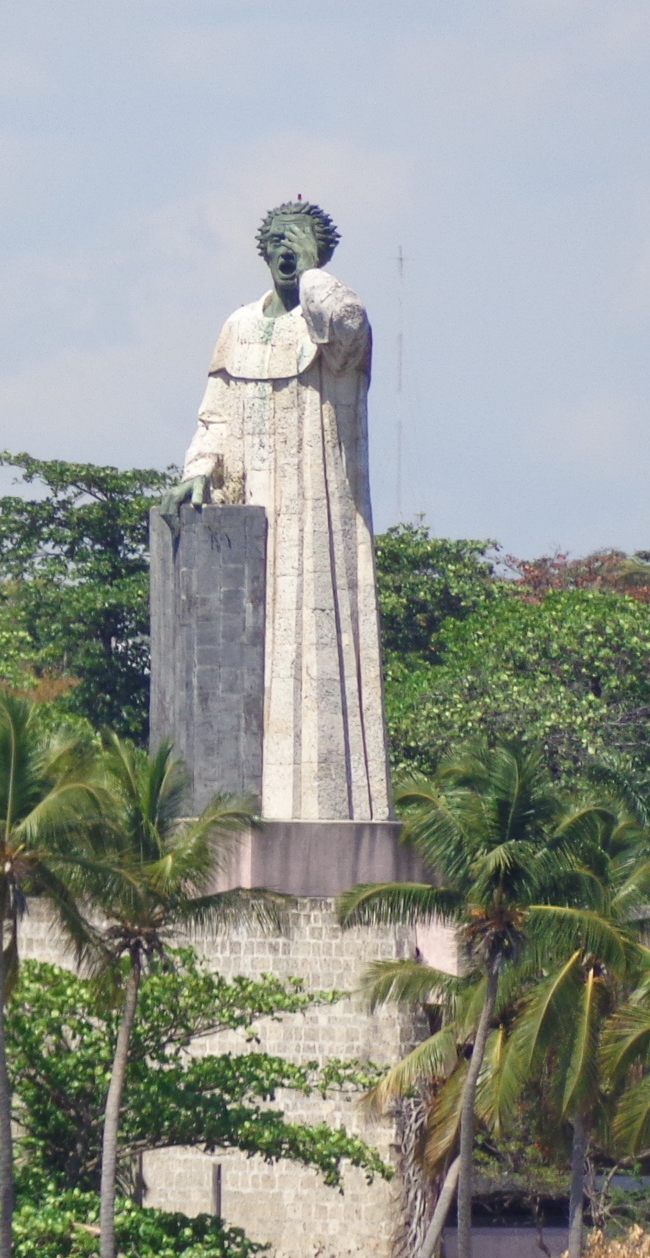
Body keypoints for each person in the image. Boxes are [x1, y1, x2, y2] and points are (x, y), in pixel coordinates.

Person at [163, 201, 389, 823]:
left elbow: (346, 326)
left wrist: (314, 274)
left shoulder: (331, 324)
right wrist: (197, 474)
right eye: (278, 241)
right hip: (249, 516)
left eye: (302, 241)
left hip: (316, 511)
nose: (288, 250)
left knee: (314, 655)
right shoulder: (238, 327)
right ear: (260, 250)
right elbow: (216, 414)